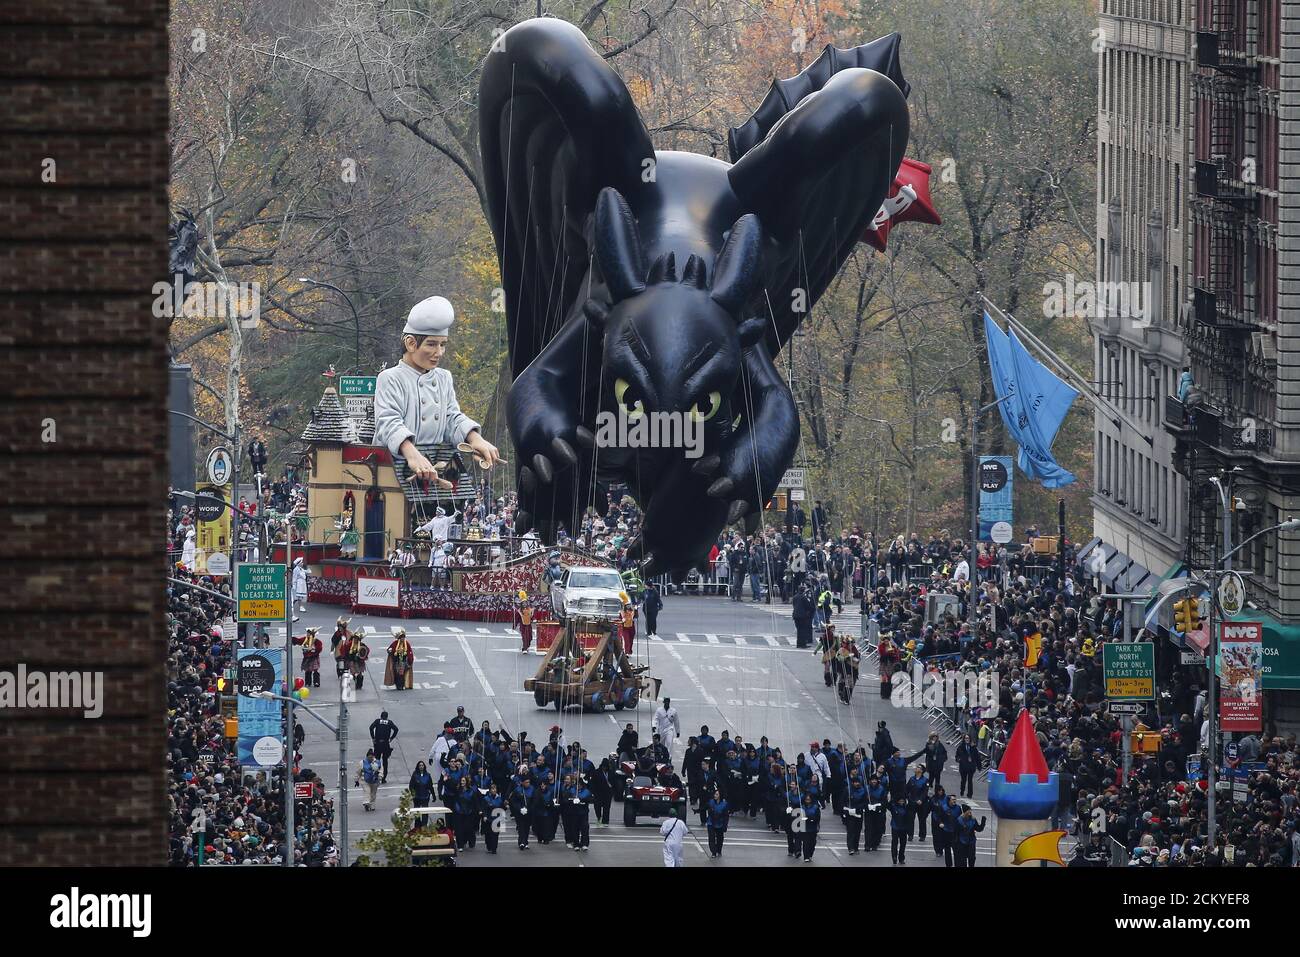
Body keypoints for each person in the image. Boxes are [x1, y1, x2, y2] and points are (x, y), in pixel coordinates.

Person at [373, 295, 501, 486]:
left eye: (443, 345)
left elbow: (451, 417)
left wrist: (475, 439)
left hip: (436, 469)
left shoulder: (443, 377)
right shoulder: (390, 378)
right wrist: (412, 454)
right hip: (393, 471)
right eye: (431, 344)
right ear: (410, 343)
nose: (439, 353)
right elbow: (388, 423)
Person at [563, 773, 592, 851]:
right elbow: (566, 799)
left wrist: (582, 800)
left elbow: (590, 799)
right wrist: (572, 800)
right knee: (575, 829)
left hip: (583, 813)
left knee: (584, 829)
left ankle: (584, 844)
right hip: (574, 813)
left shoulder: (586, 791)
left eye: (579, 784)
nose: (578, 786)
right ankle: (576, 844)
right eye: (577, 784)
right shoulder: (572, 791)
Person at [369, 711, 399, 783]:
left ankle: (376, 776)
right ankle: (383, 778)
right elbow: (396, 729)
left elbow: (371, 728)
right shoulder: (389, 722)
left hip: (378, 744)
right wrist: (391, 738)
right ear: (387, 717)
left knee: (376, 761)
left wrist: (373, 738)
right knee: (385, 761)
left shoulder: (377, 721)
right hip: (385, 744)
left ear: (381, 716)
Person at [509, 776, 537, 850]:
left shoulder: (532, 789)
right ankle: (521, 842)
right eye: (526, 782)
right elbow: (513, 801)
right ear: (522, 783)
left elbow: (534, 800)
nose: (528, 784)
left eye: (528, 782)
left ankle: (526, 842)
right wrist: (519, 809)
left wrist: (530, 809)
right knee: (521, 827)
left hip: (529, 812)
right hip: (520, 812)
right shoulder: (517, 790)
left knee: (527, 827)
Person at [479, 783, 505, 854]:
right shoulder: (486, 799)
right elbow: (484, 808)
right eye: (492, 789)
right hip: (488, 819)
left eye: (495, 789)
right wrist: (484, 816)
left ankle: (494, 848)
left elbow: (502, 808)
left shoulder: (499, 799)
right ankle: (489, 846)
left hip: (496, 819)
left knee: (495, 835)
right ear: (490, 790)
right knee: (488, 834)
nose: (494, 790)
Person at [653, 697, 681, 762]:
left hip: (669, 729)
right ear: (663, 702)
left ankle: (669, 758)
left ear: (669, 702)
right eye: (665, 701)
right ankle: (661, 757)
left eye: (668, 701)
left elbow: (676, 721)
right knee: (661, 744)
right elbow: (655, 719)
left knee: (669, 743)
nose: (667, 703)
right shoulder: (659, 710)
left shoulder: (673, 711)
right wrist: (654, 726)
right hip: (661, 729)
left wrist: (678, 731)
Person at [706, 786, 730, 858]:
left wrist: (725, 825)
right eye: (715, 794)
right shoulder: (711, 802)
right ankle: (713, 852)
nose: (715, 796)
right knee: (711, 838)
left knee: (720, 838)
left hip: (720, 823)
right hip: (711, 822)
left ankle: (719, 850)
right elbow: (709, 811)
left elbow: (726, 816)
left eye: (717, 794)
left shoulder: (724, 804)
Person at [889, 794, 911, 865]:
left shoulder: (907, 807)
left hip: (903, 828)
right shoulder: (893, 807)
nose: (901, 802)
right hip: (895, 827)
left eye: (903, 800)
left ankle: (901, 858)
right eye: (900, 800)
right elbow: (887, 805)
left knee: (903, 844)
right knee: (894, 843)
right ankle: (894, 857)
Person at [956, 733, 980, 798]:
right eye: (966, 738)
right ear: (964, 739)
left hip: (971, 766)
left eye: (968, 738)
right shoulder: (961, 747)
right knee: (963, 780)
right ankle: (962, 791)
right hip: (963, 766)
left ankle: (970, 794)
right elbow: (957, 756)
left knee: (970, 780)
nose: (967, 739)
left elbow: (977, 757)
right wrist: (959, 760)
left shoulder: (973, 747)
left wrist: (979, 766)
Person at [799, 790, 821, 862]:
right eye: (806, 799)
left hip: (813, 827)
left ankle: (810, 854)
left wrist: (812, 820)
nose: (807, 800)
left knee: (812, 843)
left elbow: (818, 817)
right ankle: (806, 856)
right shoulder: (801, 807)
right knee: (806, 843)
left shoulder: (815, 807)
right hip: (804, 828)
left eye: (809, 799)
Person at [793, 580, 815, 649]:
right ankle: (803, 644)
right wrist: (811, 610)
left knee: (799, 630)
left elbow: (794, 605)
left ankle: (798, 643)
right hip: (802, 616)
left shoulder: (795, 597)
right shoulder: (803, 597)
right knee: (803, 630)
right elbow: (808, 606)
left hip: (795, 615)